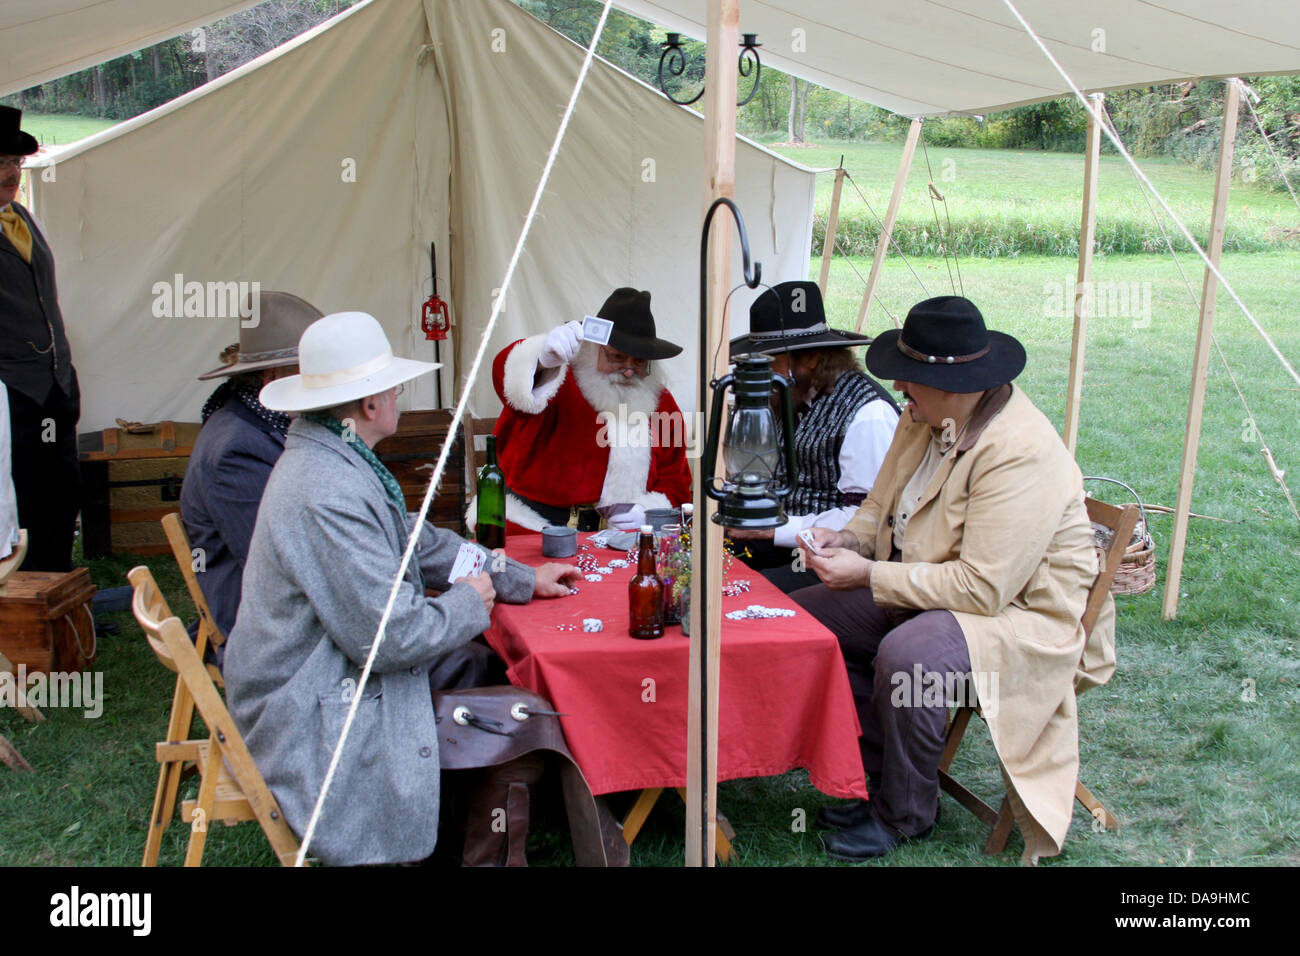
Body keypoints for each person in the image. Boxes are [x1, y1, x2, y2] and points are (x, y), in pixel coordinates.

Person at [223, 311, 582, 866]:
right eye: (391, 387)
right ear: (370, 405)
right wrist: (471, 601)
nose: (397, 396)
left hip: (326, 675)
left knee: (484, 667)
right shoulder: (326, 489)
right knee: (521, 719)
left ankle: (460, 826)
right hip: (311, 706)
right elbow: (387, 639)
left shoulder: (335, 458)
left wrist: (519, 577)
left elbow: (420, 545)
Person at [792, 295, 1115, 864]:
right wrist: (849, 540)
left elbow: (982, 589)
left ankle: (907, 814)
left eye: (909, 380)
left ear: (957, 386)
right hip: (936, 587)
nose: (899, 391)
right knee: (810, 618)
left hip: (1019, 618)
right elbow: (876, 505)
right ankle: (874, 781)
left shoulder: (1020, 451)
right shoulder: (926, 418)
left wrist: (869, 573)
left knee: (909, 655)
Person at [727, 281, 898, 592]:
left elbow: (866, 517)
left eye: (771, 360)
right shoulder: (790, 396)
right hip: (782, 542)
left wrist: (773, 529)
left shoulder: (867, 414)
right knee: (705, 564)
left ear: (812, 358)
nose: (762, 371)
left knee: (752, 591)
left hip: (830, 558)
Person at [180, 291, 323, 651]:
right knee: (461, 657)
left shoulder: (261, 423)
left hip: (294, 606)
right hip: (267, 634)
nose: (323, 381)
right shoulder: (236, 448)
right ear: (274, 375)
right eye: (312, 369)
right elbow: (281, 565)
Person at [486, 287, 692, 533]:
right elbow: (506, 379)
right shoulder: (555, 378)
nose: (628, 370)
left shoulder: (661, 403)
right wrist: (539, 357)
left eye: (638, 362)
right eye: (617, 357)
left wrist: (649, 511)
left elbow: (675, 477)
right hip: (532, 529)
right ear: (594, 348)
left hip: (621, 540)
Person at [0, 107, 81, 572]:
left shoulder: (22, 219)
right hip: (11, 394)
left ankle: (63, 588)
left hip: (54, 387)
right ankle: (32, 596)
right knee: (21, 494)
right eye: (1, 163)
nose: (12, 173)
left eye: (16, 163)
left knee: (61, 488)